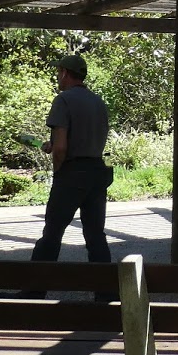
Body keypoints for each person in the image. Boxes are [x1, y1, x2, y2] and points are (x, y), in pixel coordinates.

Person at [31, 53, 113, 266]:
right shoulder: (98, 102)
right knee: (95, 235)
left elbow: (60, 148)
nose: (58, 76)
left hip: (72, 173)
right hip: (97, 172)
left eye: (59, 72)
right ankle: (105, 291)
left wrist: (59, 171)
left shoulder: (63, 100)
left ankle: (33, 292)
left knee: (52, 233)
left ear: (65, 73)